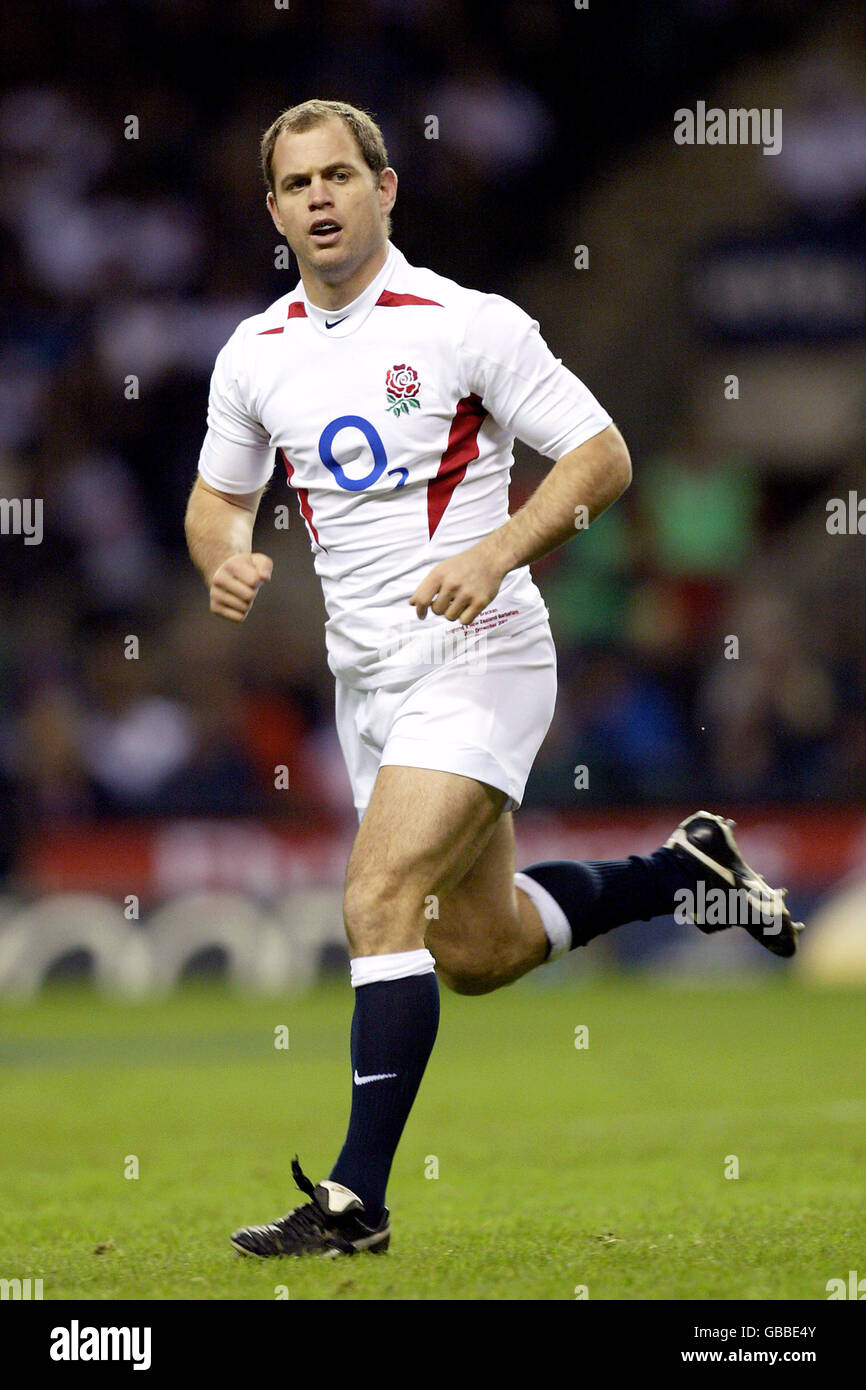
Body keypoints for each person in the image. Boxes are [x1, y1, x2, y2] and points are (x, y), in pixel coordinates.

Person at [185, 99, 801, 1260]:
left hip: (481, 654)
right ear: (271, 210)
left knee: (375, 898)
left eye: (337, 176)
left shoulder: (466, 325)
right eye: (295, 185)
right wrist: (225, 559)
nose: (318, 198)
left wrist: (494, 549)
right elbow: (216, 501)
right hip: (364, 683)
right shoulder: (253, 353)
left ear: (384, 190)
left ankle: (354, 1203)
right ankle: (682, 870)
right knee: (477, 949)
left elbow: (600, 455)